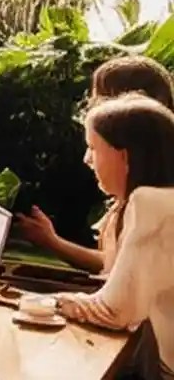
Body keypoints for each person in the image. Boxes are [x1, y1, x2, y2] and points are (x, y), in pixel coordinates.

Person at [15, 55, 174, 274]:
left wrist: (53, 243)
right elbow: (115, 264)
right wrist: (51, 241)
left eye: (100, 100)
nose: (91, 106)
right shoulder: (137, 189)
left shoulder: (152, 202)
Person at [55, 95, 174, 380]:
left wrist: (46, 303)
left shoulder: (151, 204)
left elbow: (113, 311)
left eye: (93, 148)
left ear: (125, 155)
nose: (86, 159)